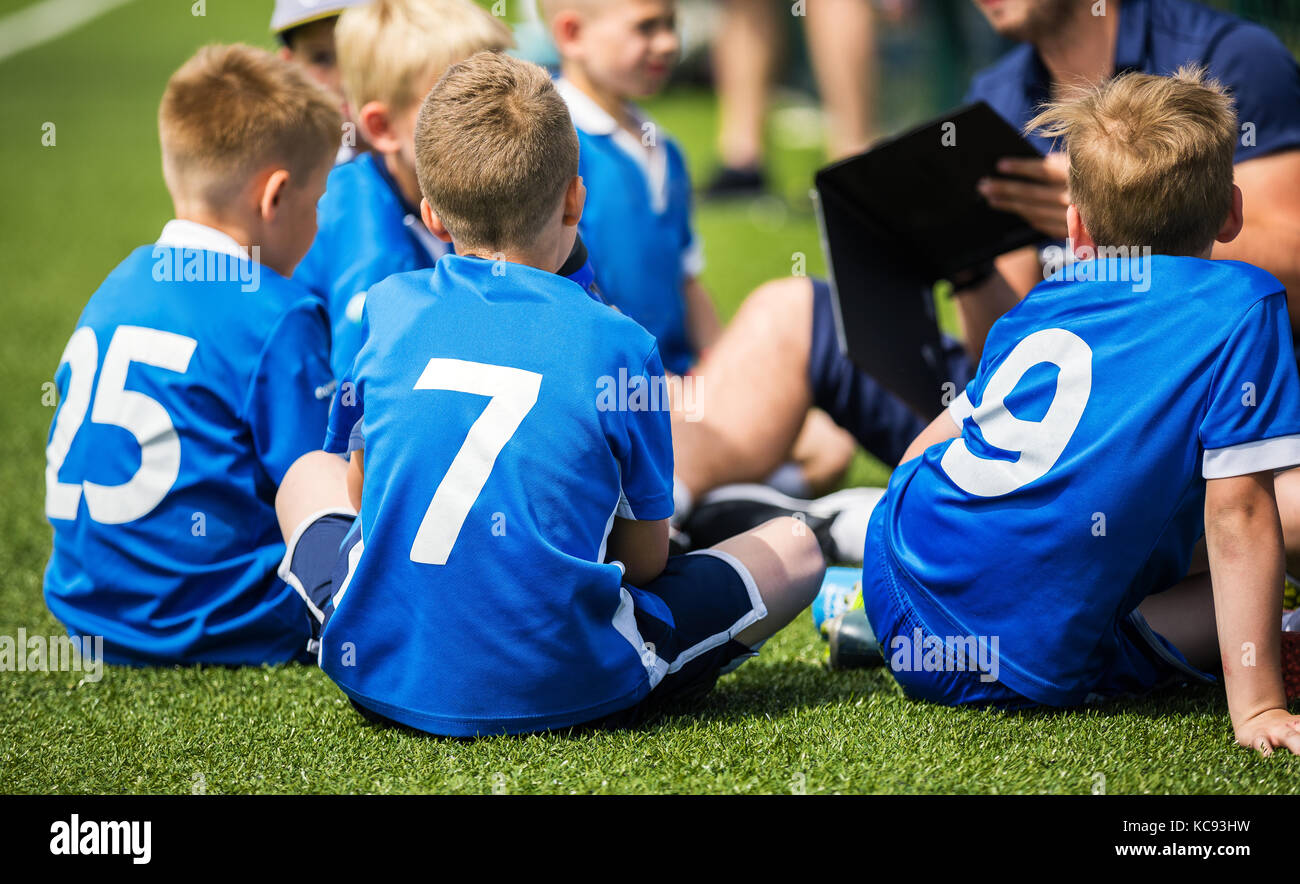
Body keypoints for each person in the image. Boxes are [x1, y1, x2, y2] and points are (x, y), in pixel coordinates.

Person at [274, 51, 824, 737]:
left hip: (378, 669)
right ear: (574, 197)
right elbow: (647, 560)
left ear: (433, 217)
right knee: (797, 547)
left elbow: (359, 496)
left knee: (306, 472)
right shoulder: (623, 345)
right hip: (567, 681)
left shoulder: (385, 308)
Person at [670, 0, 1300, 516]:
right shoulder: (998, 96)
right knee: (790, 311)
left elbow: (1287, 266)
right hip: (1039, 405)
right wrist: (964, 255)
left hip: (1174, 407)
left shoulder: (1225, 59)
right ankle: (652, 520)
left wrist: (1118, 214)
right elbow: (999, 356)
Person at [857, 67, 1300, 754]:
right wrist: (1260, 708)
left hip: (895, 564)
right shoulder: (1244, 302)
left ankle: (849, 604)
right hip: (1015, 665)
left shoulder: (1043, 303)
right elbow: (1238, 514)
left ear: (1075, 228)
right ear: (1232, 212)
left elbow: (944, 436)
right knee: (1272, 534)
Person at [43, 45, 340, 665]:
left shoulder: (117, 284)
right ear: (275, 197)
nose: (318, 226)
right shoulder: (275, 312)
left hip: (89, 614)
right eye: (316, 205)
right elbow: (321, 489)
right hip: (223, 620)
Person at [543, 0, 857, 498]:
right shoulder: (551, 142)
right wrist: (653, 382)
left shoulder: (664, 147)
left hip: (680, 383)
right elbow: (559, 294)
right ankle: (689, 506)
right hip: (606, 388)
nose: (668, 43)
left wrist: (720, 367)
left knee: (829, 445)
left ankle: (707, 504)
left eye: (672, 25)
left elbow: (687, 280)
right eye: (646, 28)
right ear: (572, 33)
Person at [291, 0, 514, 382]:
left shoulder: (475, 191)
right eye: (459, 106)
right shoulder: (370, 242)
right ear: (382, 127)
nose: (495, 122)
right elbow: (364, 402)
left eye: (502, 93)